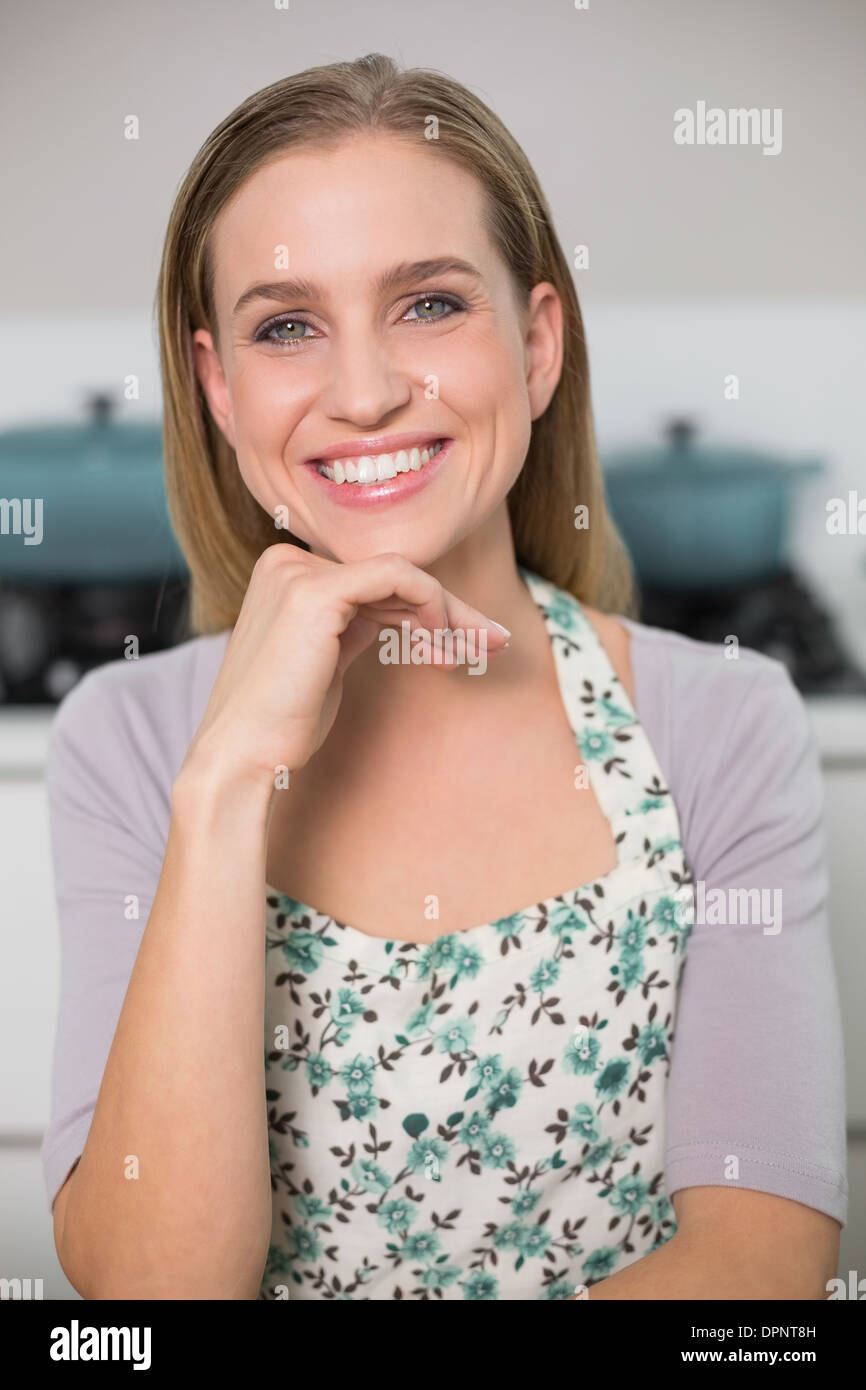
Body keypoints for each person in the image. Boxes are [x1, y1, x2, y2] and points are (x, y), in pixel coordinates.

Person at [42, 53, 846, 1301]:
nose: (362, 394)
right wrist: (228, 779)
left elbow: (762, 1263)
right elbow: (153, 1296)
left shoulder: (719, 724)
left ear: (534, 345)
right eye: (286, 325)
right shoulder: (131, 741)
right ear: (218, 388)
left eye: (426, 304)